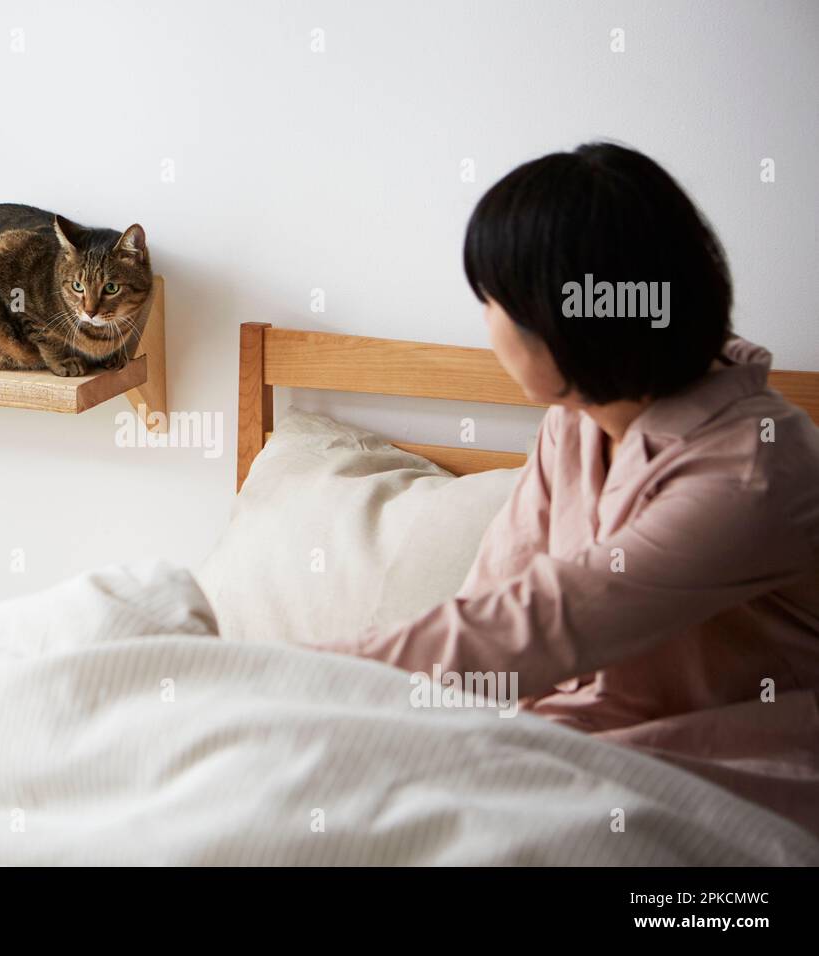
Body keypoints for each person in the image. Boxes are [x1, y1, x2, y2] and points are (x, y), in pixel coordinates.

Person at [321, 142, 819, 835]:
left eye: (492, 301)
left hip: (728, 783)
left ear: (561, 327)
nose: (486, 321)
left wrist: (300, 677)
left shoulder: (754, 472)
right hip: (563, 748)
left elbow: (545, 622)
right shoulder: (575, 421)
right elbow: (492, 601)